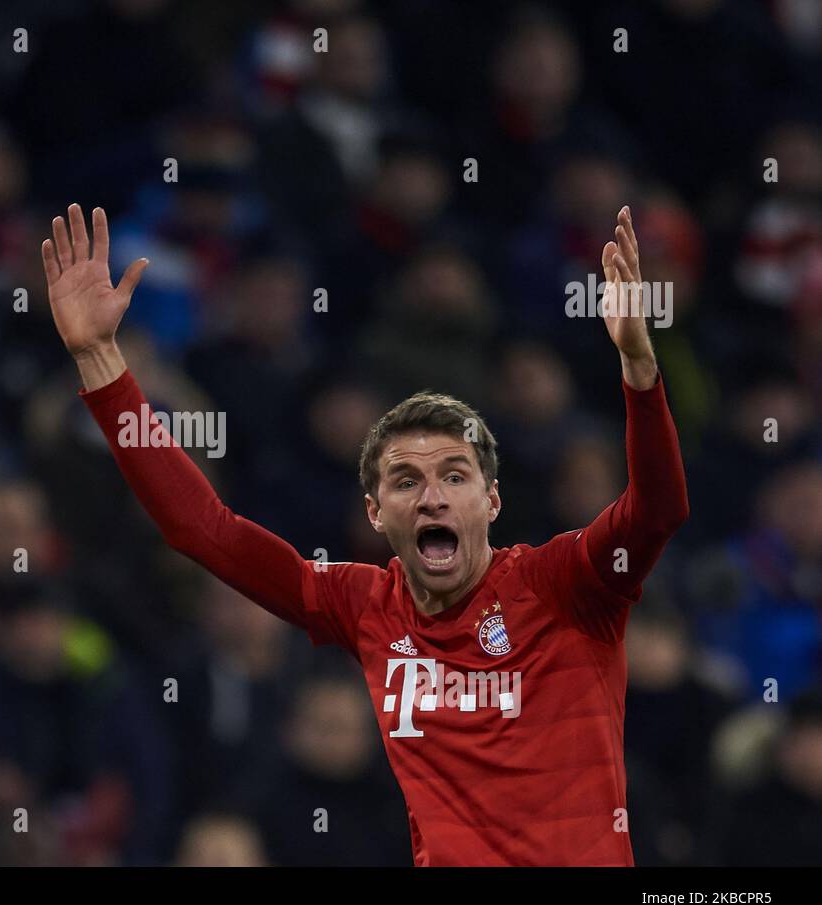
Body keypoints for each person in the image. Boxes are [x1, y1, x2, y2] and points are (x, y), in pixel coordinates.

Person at [40, 202, 689, 865]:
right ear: (377, 514)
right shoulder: (363, 604)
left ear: (492, 501)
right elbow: (201, 529)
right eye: (406, 481)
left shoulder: (564, 584)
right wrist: (101, 362)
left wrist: (639, 369)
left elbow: (658, 510)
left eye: (455, 477)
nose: (431, 495)